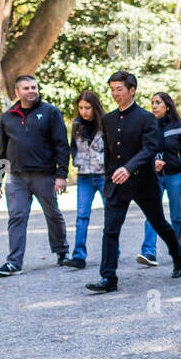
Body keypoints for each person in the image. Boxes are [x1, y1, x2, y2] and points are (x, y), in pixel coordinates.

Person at [86, 71, 181, 293]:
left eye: (119, 89)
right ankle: (108, 277)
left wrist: (128, 168)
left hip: (144, 182)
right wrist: (108, 179)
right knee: (110, 230)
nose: (114, 94)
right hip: (116, 183)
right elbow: (109, 153)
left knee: (159, 223)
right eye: (111, 89)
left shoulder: (147, 118)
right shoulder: (108, 119)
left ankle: (178, 257)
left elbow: (150, 148)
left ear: (132, 90)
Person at [0, 74, 70, 276]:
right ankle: (14, 263)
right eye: (26, 88)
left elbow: (61, 145)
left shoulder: (50, 112)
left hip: (44, 175)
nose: (31, 91)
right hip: (15, 177)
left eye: (34, 87)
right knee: (16, 216)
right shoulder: (8, 116)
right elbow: (2, 149)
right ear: (17, 92)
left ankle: (62, 252)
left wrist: (61, 175)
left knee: (53, 214)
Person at [137, 92, 181, 268]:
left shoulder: (180, 126)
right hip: (153, 177)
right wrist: (153, 162)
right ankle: (149, 252)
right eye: (152, 103)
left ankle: (180, 251)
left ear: (167, 106)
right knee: (152, 215)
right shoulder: (147, 126)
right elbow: (142, 151)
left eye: (158, 103)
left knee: (176, 216)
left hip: (176, 175)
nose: (153, 106)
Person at [62, 90, 107, 270]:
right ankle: (79, 255)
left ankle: (113, 252)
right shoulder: (76, 124)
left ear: (94, 107)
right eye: (80, 108)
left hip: (104, 175)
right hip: (84, 176)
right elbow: (73, 146)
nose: (84, 111)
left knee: (111, 216)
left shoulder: (107, 123)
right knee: (82, 216)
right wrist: (77, 160)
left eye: (87, 107)